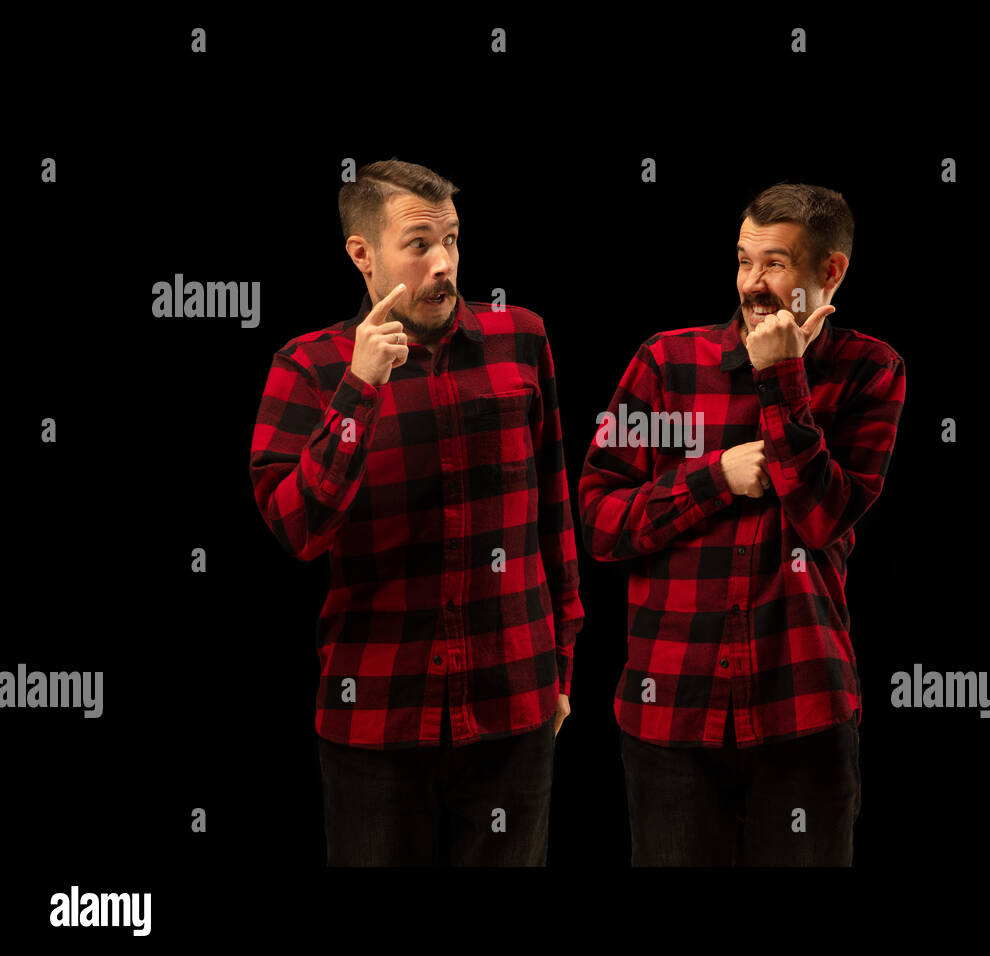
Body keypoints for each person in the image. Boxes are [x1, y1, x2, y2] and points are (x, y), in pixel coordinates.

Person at [249, 159, 583, 866]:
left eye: (453, 241)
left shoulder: (521, 339)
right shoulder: (309, 367)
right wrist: (360, 389)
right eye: (420, 244)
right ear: (362, 254)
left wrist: (562, 667)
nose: (444, 264)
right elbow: (298, 530)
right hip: (376, 713)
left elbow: (555, 513)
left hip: (513, 705)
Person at [579, 182, 905, 865]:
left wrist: (781, 377)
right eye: (743, 259)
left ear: (832, 271)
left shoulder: (870, 370)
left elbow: (821, 518)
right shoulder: (666, 362)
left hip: (804, 710)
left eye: (776, 263)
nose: (752, 283)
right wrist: (713, 478)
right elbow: (601, 524)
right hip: (670, 708)